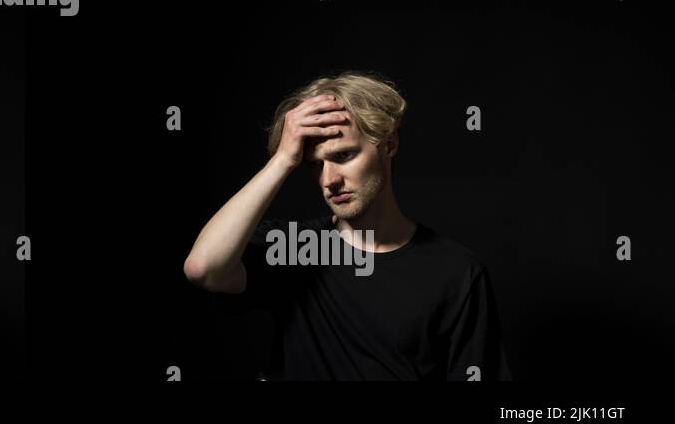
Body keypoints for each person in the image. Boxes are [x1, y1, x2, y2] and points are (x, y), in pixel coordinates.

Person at [183, 72, 512, 380]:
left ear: (389, 144)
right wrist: (282, 160)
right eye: (314, 165)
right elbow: (203, 268)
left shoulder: (456, 271)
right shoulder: (295, 249)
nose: (329, 181)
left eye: (343, 156)